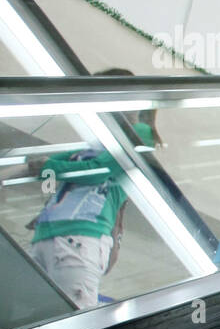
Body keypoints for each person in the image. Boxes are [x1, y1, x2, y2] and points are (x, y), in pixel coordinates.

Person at [26, 68, 161, 309]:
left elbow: (98, 171)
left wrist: (48, 166)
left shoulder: (140, 132)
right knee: (32, 315)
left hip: (80, 236)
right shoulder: (100, 141)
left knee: (72, 317)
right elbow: (52, 162)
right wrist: (43, 165)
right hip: (50, 234)